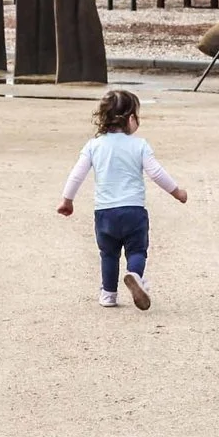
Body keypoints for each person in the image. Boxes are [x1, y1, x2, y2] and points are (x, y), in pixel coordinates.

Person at [56, 88, 187, 309]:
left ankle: (108, 294)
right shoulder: (139, 145)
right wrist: (177, 192)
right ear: (131, 118)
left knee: (108, 254)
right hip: (133, 211)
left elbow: (77, 174)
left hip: (105, 213)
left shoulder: (93, 146)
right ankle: (135, 275)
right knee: (136, 251)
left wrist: (67, 200)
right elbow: (156, 173)